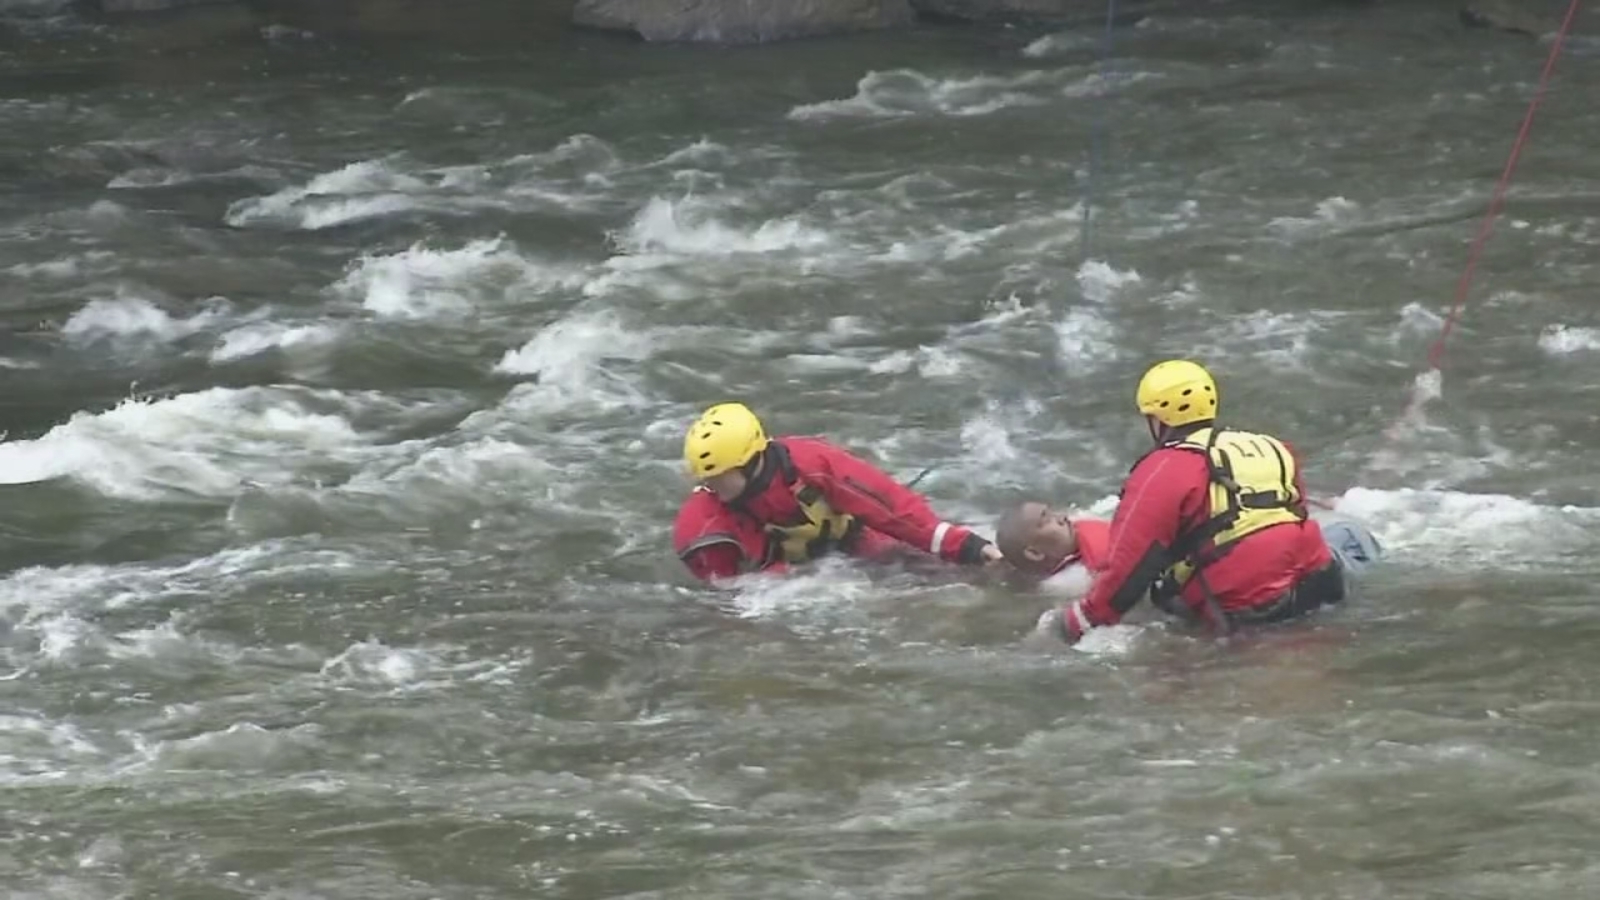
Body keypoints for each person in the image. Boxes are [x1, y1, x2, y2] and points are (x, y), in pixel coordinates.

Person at [1045, 359, 1353, 644]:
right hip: (1323, 582)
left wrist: (1072, 624)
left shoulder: (1162, 468)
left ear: (1157, 419)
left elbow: (1128, 569)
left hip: (1249, 608)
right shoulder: (1269, 446)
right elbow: (1295, 511)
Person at [672, 401, 1004, 584]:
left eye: (719, 476)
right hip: (795, 584)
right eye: (706, 477)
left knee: (950, 575)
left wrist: (969, 547)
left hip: (855, 544)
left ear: (751, 463)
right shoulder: (704, 528)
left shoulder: (813, 464)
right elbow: (730, 594)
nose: (710, 486)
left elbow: (892, 509)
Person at [996, 499, 1385, 639]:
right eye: (1047, 519)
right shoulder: (1071, 581)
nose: (1061, 517)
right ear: (1033, 553)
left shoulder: (1087, 546)